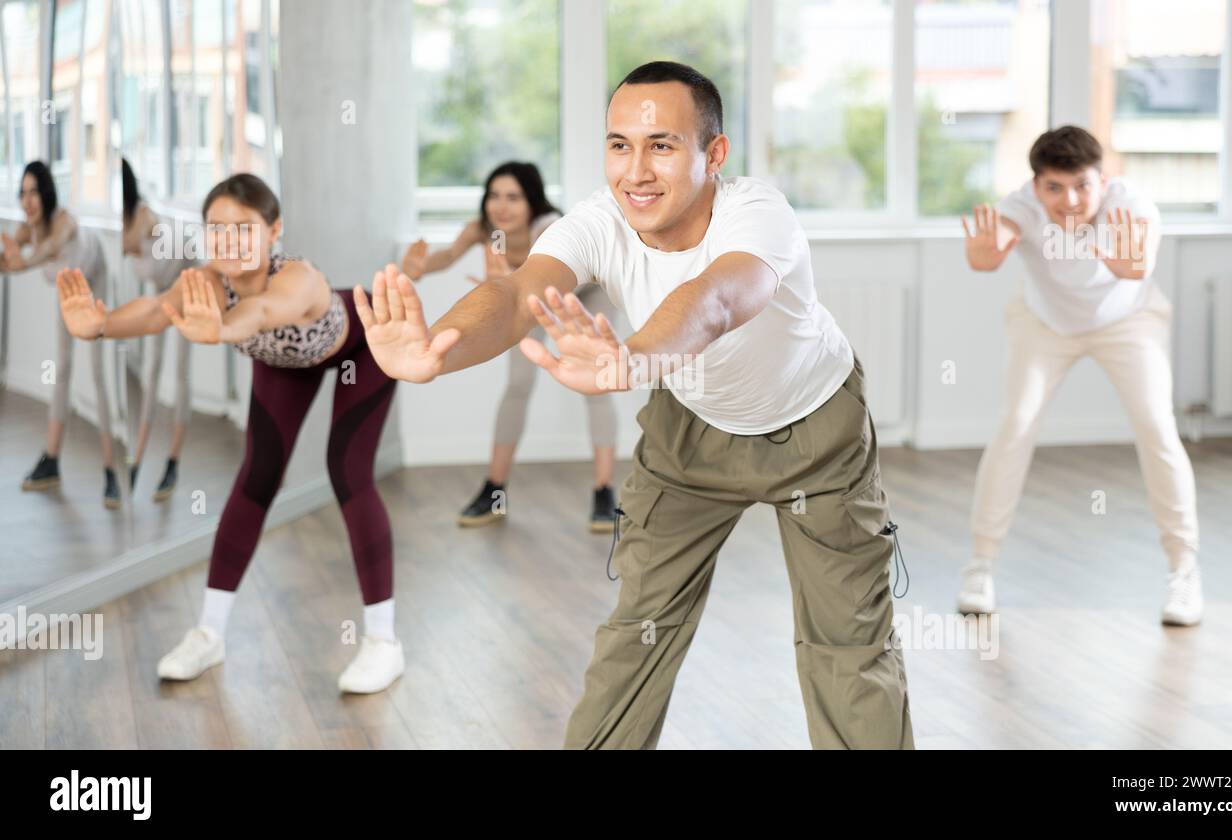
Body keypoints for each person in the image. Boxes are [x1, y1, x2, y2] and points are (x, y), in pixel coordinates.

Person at [357, 61, 914, 748]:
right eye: (620, 144)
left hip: (816, 435)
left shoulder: (757, 213)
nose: (636, 170)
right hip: (689, 437)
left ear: (713, 155)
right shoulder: (599, 221)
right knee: (635, 639)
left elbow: (714, 299)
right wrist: (439, 348)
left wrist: (638, 356)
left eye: (662, 145)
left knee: (849, 648)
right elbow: (518, 294)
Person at [57, 173, 404, 693]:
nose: (229, 239)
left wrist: (220, 329)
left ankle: (383, 643)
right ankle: (209, 633)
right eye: (217, 227)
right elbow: (155, 311)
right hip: (287, 363)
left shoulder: (299, 279)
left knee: (348, 472)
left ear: (275, 230)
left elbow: (262, 312)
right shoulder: (207, 280)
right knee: (256, 480)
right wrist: (100, 325)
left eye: (245, 227)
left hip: (365, 347)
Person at [957, 125, 1201, 626]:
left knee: (1157, 427)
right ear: (1036, 186)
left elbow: (1136, 269)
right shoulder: (1020, 208)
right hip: (1046, 323)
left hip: (1128, 319)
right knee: (1015, 426)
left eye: (1082, 186)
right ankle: (980, 566)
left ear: (1102, 180)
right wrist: (985, 252)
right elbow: (988, 253)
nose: (1069, 200)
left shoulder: (1131, 204)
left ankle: (1184, 572)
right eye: (1054, 188)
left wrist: (1103, 251)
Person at [401, 162, 620, 532]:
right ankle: (494, 490)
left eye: (513, 198)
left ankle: (604, 493)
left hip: (586, 296)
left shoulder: (547, 226)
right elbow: (448, 255)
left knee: (596, 386)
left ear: (532, 201)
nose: (501, 207)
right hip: (532, 301)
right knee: (518, 385)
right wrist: (420, 267)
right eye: (494, 196)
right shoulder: (484, 230)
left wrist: (509, 282)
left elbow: (554, 281)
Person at [7, 161, 119, 508]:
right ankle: (52, 459)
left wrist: (20, 260)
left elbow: (42, 252)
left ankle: (112, 471)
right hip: (68, 292)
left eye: (34, 192)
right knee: (61, 369)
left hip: (94, 284)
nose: (28, 201)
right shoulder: (26, 229)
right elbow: (9, 259)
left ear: (47, 194)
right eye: (23, 193)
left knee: (98, 375)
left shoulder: (63, 223)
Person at [121, 158, 196, 500]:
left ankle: (173, 463)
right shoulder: (125, 223)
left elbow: (141, 236)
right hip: (164, 286)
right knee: (152, 370)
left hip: (188, 280)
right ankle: (136, 458)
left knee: (179, 371)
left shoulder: (144, 215)